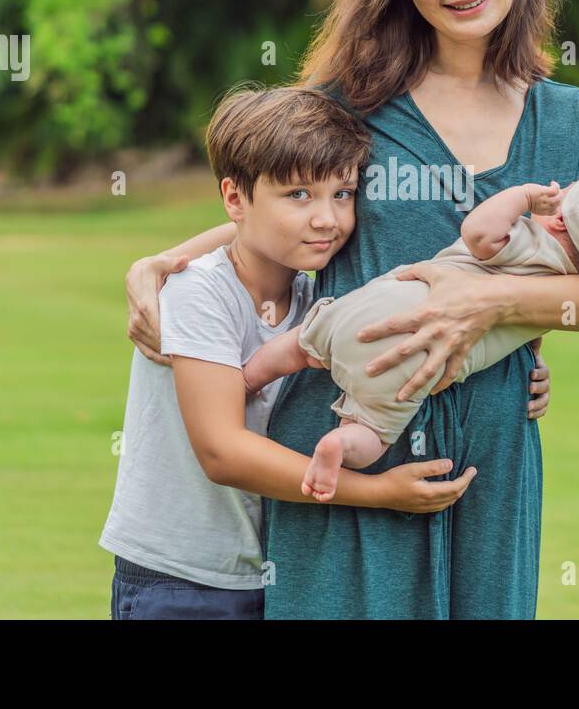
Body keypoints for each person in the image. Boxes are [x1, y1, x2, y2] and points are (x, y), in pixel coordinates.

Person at [125, 0, 579, 619]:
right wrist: (161, 263)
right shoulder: (351, 101)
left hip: (493, 463)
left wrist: (487, 308)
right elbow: (280, 212)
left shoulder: (566, 120)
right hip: (346, 440)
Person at [100, 85, 474, 619]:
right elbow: (221, 452)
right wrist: (378, 492)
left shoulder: (313, 301)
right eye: (298, 195)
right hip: (180, 579)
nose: (327, 218)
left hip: (275, 570)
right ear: (234, 198)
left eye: (342, 194)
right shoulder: (199, 292)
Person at [242, 174, 579, 501]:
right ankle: (338, 444)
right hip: (407, 363)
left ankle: (245, 379)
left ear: (559, 219)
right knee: (369, 432)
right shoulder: (560, 286)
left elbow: (478, 232)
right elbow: (535, 329)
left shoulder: (526, 239)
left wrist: (523, 197)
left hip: (370, 307)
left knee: (299, 347)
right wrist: (535, 363)